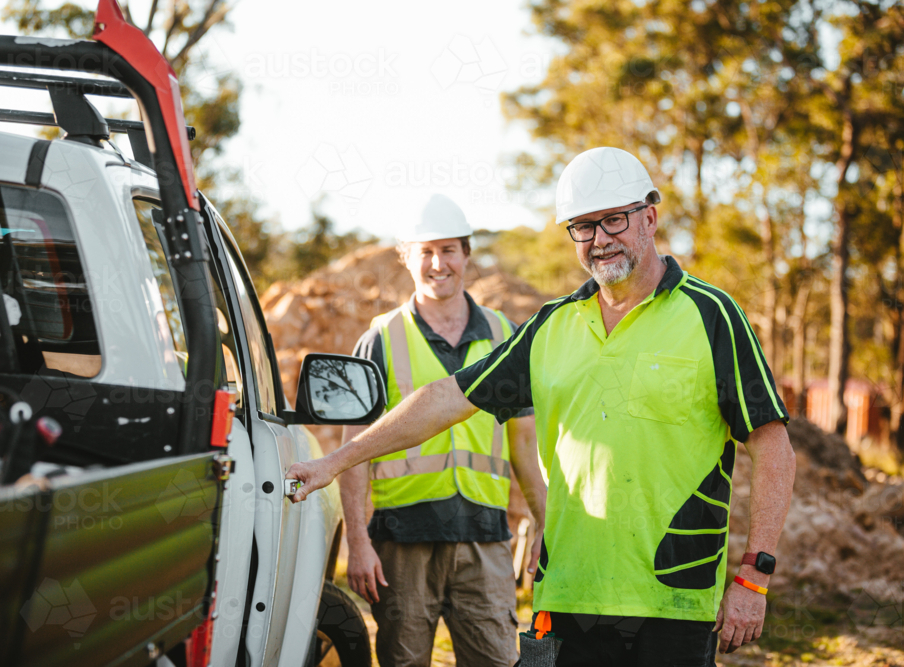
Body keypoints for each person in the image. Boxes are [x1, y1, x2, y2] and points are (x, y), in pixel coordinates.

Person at [288, 149, 796, 667]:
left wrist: (754, 575)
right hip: (569, 598)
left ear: (649, 217)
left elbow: (772, 443)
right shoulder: (551, 327)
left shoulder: (712, 315)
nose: (599, 239)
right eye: (582, 226)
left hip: (674, 598)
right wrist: (334, 463)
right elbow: (446, 399)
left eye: (613, 220)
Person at [340, 194, 547, 667]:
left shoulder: (505, 335)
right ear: (407, 258)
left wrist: (543, 520)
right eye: (426, 251)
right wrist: (358, 541)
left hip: (485, 539)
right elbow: (353, 448)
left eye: (449, 250)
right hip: (401, 543)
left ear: (467, 254)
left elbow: (525, 442)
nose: (439, 263)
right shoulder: (380, 338)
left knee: (497, 660)